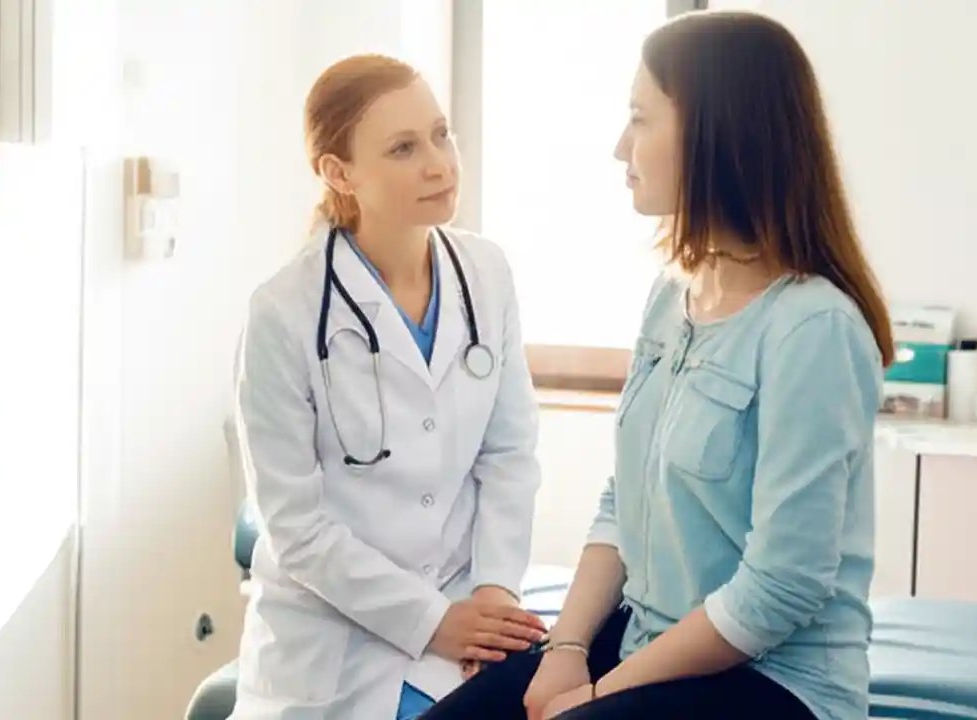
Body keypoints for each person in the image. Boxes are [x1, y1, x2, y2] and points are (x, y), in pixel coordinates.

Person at [421, 10, 893, 720]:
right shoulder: (672, 297)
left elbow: (779, 589)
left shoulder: (813, 329)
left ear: (716, 134)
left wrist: (596, 695)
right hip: (650, 641)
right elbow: (623, 501)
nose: (620, 147)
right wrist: (567, 652)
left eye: (640, 118)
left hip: (775, 683)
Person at [230, 54, 547, 719]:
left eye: (440, 134)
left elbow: (509, 454)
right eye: (404, 148)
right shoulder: (285, 312)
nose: (439, 163)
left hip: (466, 627)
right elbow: (295, 527)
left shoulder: (486, 273)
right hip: (328, 652)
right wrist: (432, 619)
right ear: (338, 173)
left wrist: (493, 589)